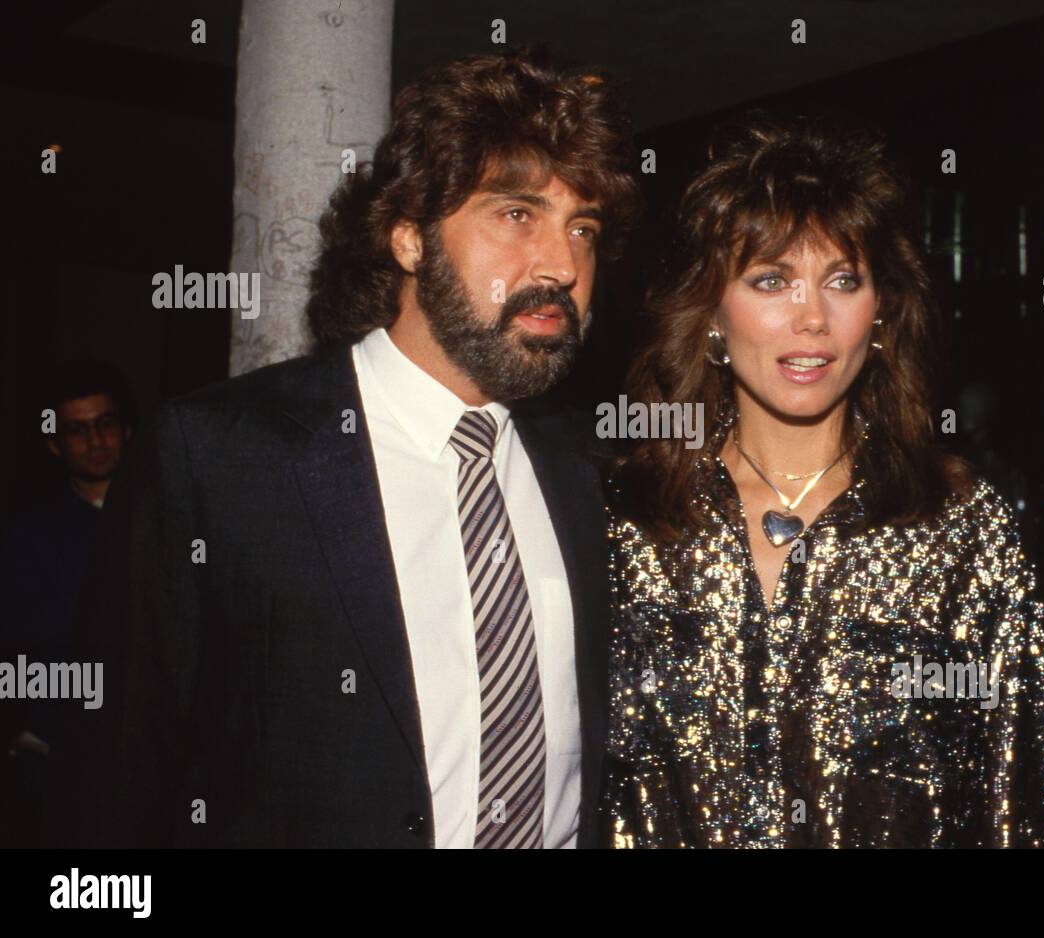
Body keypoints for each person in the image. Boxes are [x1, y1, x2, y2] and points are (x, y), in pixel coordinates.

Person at [45, 47, 641, 849]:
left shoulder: (592, 465)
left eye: (583, 227)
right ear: (409, 239)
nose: (564, 264)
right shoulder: (219, 455)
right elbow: (114, 776)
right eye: (516, 215)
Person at [601, 111, 1044, 847]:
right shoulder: (626, 523)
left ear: (882, 312)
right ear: (711, 317)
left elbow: (1025, 806)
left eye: (842, 280)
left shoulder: (959, 531)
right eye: (771, 280)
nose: (813, 319)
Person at [1, 360, 133, 846]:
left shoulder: (166, 521)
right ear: (55, 443)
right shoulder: (28, 539)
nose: (96, 442)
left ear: (126, 430)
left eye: (105, 425)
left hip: (144, 755)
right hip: (54, 753)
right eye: (77, 431)